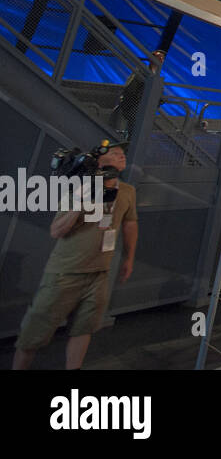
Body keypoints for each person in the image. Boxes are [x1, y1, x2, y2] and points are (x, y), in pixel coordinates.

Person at [12, 141, 138, 370]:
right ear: (100, 162)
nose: (122, 156)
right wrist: (82, 202)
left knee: (84, 328)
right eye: (115, 153)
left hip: (99, 274)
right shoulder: (82, 190)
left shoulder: (127, 191)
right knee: (34, 333)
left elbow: (130, 223)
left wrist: (129, 258)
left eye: (123, 153)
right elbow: (56, 230)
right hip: (65, 273)